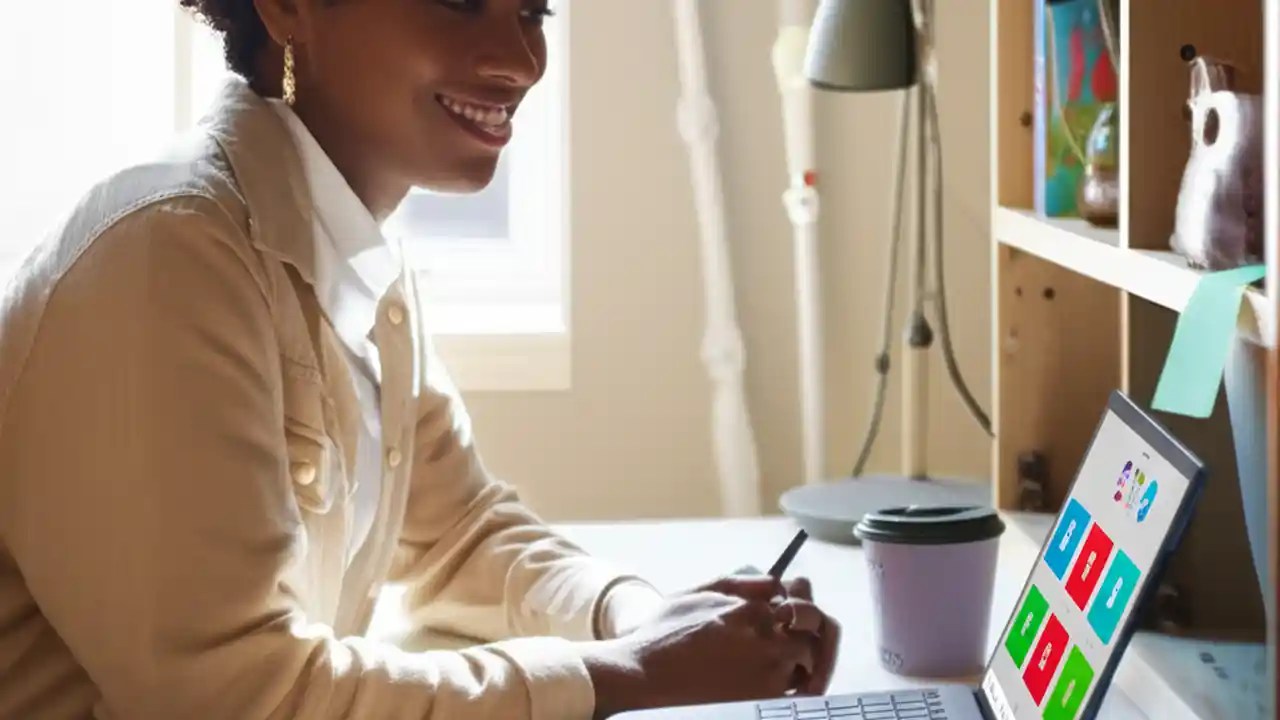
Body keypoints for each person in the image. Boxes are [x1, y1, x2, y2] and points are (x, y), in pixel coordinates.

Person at [0, 1, 840, 718]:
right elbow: (236, 697)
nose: (522, 59)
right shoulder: (171, 254)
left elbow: (458, 536)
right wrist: (631, 671)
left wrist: (650, 617)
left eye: (534, 11)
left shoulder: (355, 252)